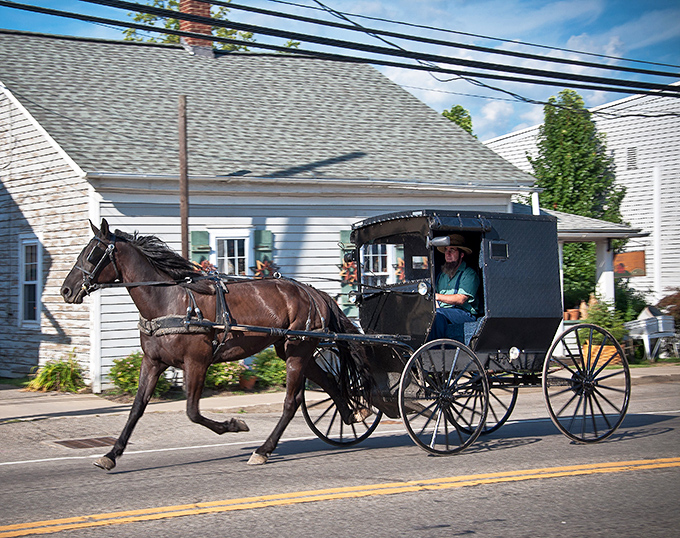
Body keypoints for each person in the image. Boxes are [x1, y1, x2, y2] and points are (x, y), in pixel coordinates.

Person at [428, 234, 480, 342]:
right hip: (444, 311)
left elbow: (461, 299)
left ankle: (435, 350)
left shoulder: (468, 274)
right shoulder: (442, 276)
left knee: (437, 316)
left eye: (452, 250)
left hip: (464, 314)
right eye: (446, 250)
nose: (448, 254)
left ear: (461, 254)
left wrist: (437, 297)